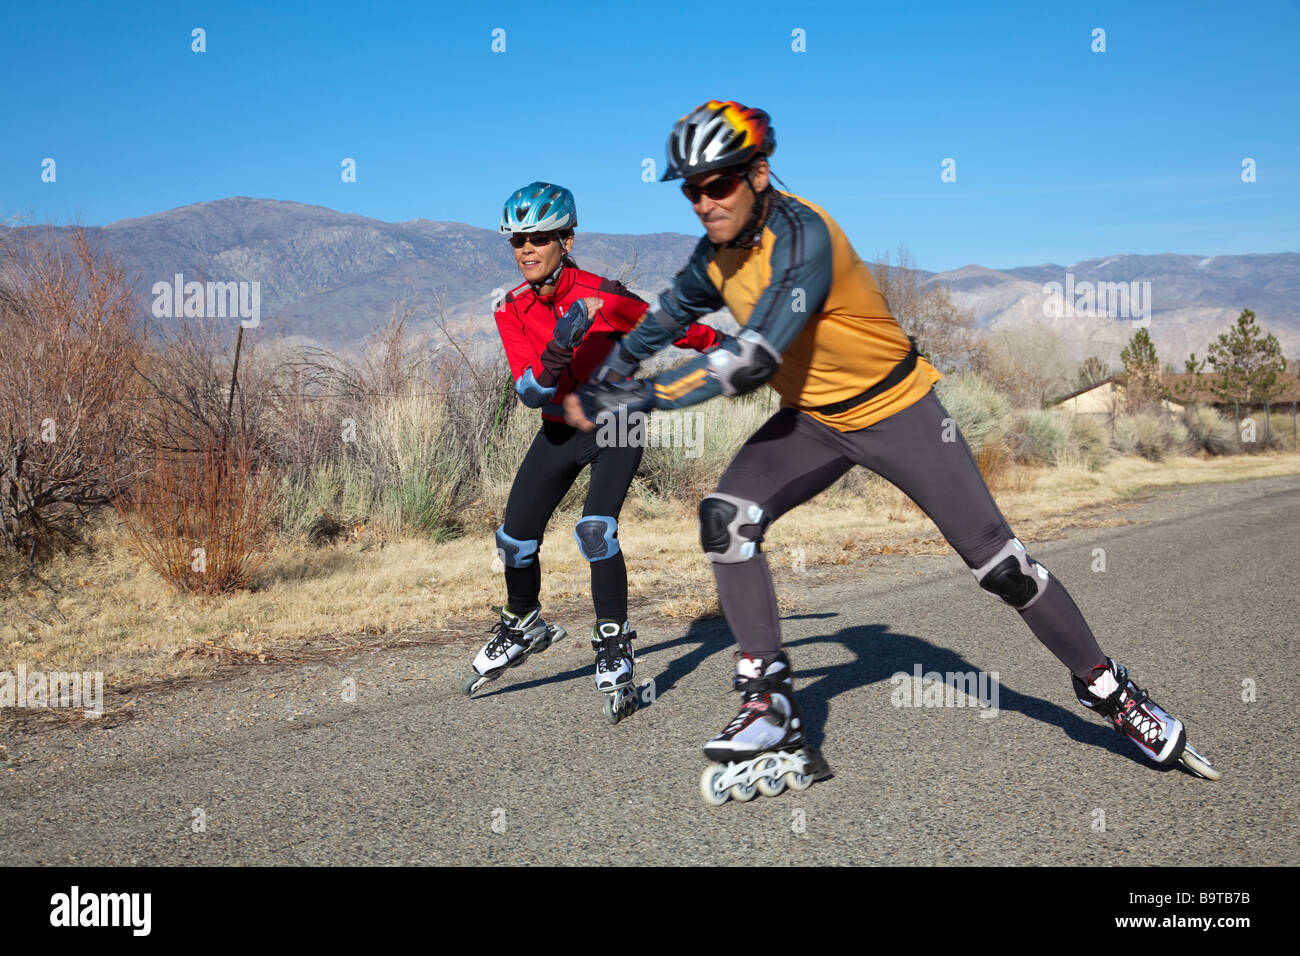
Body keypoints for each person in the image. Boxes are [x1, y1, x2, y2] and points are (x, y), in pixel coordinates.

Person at [565, 101, 1220, 797]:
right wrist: (612, 371)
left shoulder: (803, 236)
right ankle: (770, 704)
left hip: (902, 412)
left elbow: (751, 360)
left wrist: (640, 397)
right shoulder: (714, 255)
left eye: (717, 183)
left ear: (757, 174)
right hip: (813, 421)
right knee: (727, 517)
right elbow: (666, 315)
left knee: (1003, 568)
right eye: (690, 189)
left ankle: (1112, 694)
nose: (703, 202)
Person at [463, 181, 721, 724]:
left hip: (618, 422)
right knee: (512, 540)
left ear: (567, 238)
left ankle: (614, 640)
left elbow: (670, 326)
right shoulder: (510, 308)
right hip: (559, 426)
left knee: (594, 531)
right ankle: (522, 620)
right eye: (517, 240)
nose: (526, 250)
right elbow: (530, 391)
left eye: (538, 238)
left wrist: (729, 350)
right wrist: (560, 347)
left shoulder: (604, 294)